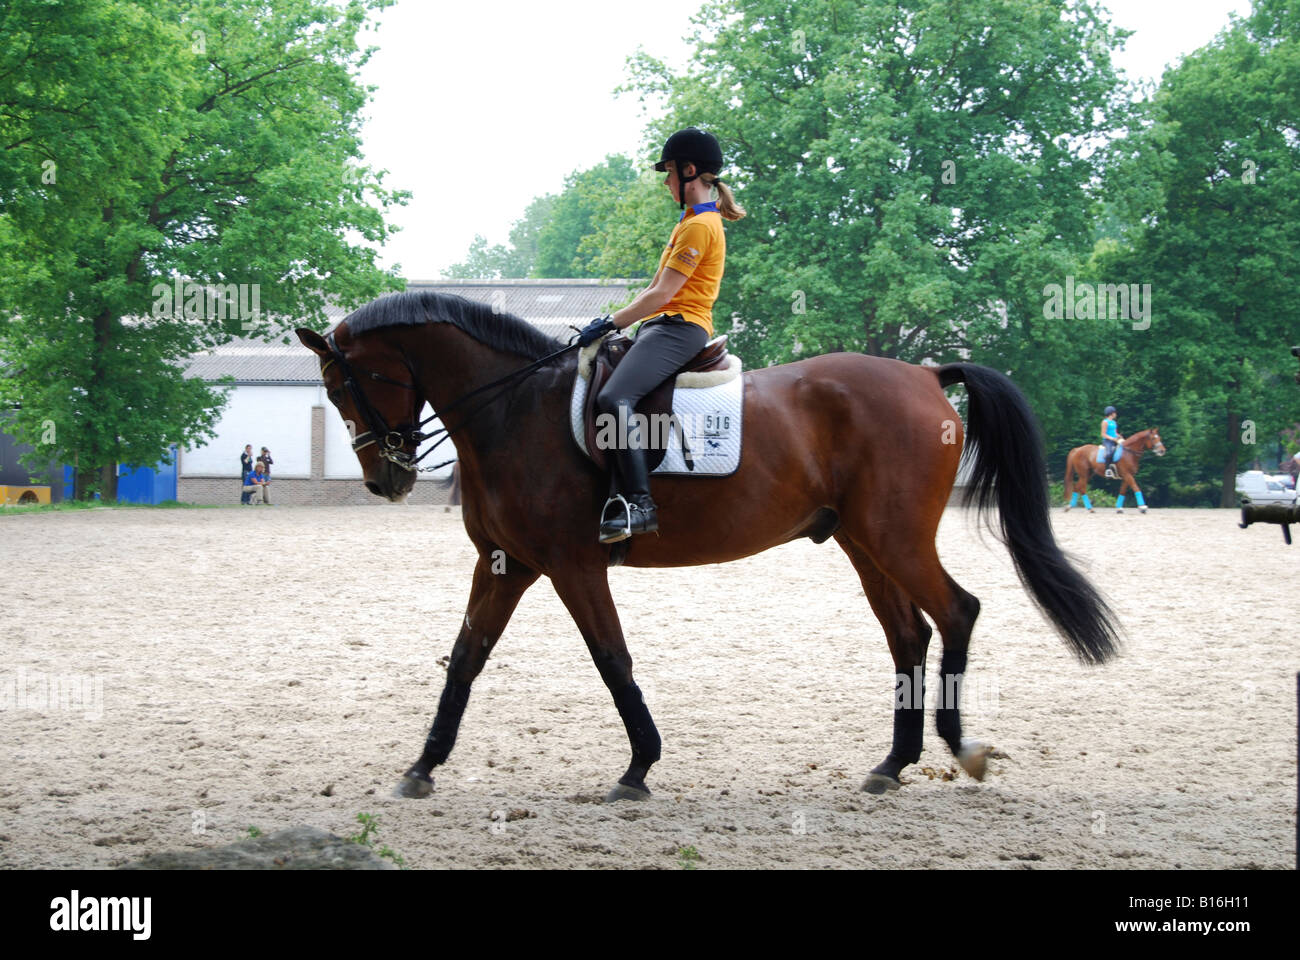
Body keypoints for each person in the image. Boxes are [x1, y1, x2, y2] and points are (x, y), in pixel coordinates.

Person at [574, 127, 746, 543]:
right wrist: (619, 322)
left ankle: (639, 504)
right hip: (662, 325)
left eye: (669, 172)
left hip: (681, 327)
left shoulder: (700, 226)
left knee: (614, 398)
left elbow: (663, 295)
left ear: (689, 171)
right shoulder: (687, 223)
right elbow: (654, 291)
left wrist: (611, 322)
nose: (667, 181)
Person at [1097, 405, 1124, 479]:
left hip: (1115, 440)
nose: (1116, 414)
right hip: (1107, 441)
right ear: (1111, 413)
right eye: (1115, 413)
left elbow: (1115, 432)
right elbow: (1103, 434)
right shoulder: (1105, 422)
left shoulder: (1114, 422)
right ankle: (1107, 470)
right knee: (1109, 453)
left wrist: (1119, 436)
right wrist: (1112, 439)